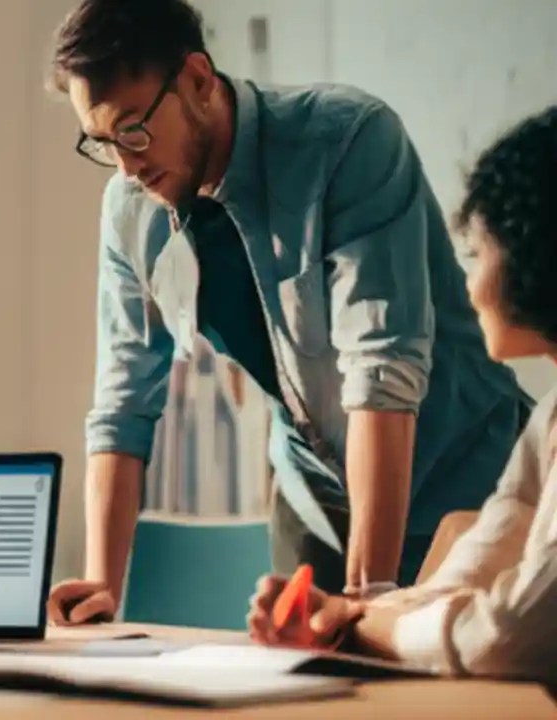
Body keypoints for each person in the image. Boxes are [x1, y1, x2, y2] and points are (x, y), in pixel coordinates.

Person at [45, 0, 530, 625]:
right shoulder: (130, 208)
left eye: (134, 130)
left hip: (465, 477)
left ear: (196, 79)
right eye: (102, 141)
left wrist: (367, 600)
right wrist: (99, 590)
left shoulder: (347, 140)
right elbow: (122, 403)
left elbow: (381, 369)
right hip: (316, 493)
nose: (127, 165)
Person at [248, 106, 557, 684]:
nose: (468, 285)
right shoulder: (550, 420)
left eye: (477, 255)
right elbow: (472, 569)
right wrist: (351, 616)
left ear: (534, 253)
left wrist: (369, 627)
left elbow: (505, 635)